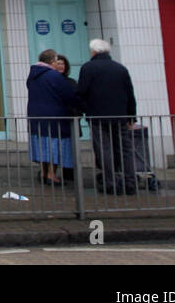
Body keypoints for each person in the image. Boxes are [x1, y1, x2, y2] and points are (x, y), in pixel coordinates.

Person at [77, 38, 138, 196]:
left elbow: (81, 92)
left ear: (94, 51)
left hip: (97, 116)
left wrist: (85, 109)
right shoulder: (120, 69)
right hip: (120, 116)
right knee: (125, 149)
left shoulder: (88, 68)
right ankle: (130, 182)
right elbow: (130, 94)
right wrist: (131, 116)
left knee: (104, 149)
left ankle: (110, 182)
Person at [25, 48, 82, 186]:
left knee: (43, 146)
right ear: (51, 61)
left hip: (37, 117)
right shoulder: (54, 76)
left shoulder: (33, 76)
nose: (58, 64)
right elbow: (69, 95)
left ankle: (44, 173)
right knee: (55, 147)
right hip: (55, 117)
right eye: (57, 61)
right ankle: (51, 175)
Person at [53, 54, 79, 183]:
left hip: (70, 120)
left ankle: (69, 172)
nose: (60, 66)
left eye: (62, 64)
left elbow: (77, 99)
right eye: (58, 63)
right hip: (56, 120)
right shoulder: (50, 82)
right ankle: (51, 172)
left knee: (70, 148)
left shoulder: (71, 82)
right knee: (55, 147)